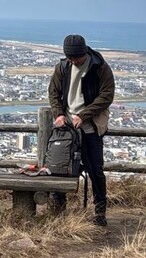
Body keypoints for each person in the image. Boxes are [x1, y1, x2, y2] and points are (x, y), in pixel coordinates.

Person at [48, 34, 116, 227]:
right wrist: (58, 114)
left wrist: (84, 115)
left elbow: (107, 95)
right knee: (60, 167)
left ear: (84, 52)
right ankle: (58, 211)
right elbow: (53, 92)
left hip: (91, 127)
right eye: (70, 58)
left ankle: (100, 212)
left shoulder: (99, 67)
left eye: (76, 58)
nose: (73, 61)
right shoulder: (62, 67)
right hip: (67, 128)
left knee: (96, 170)